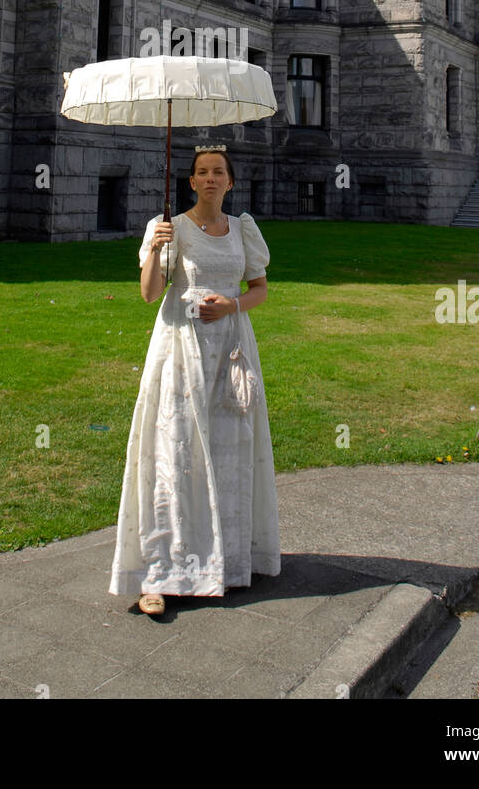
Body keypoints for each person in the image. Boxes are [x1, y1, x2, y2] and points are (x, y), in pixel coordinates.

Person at [108, 145, 281, 616]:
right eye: (202, 172)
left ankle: (222, 563)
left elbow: (260, 289)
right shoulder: (171, 228)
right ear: (190, 181)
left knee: (229, 451)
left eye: (218, 172)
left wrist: (233, 306)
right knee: (174, 453)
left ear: (230, 182)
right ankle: (159, 573)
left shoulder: (241, 229)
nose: (210, 179)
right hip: (181, 349)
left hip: (230, 348)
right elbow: (148, 295)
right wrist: (156, 250)